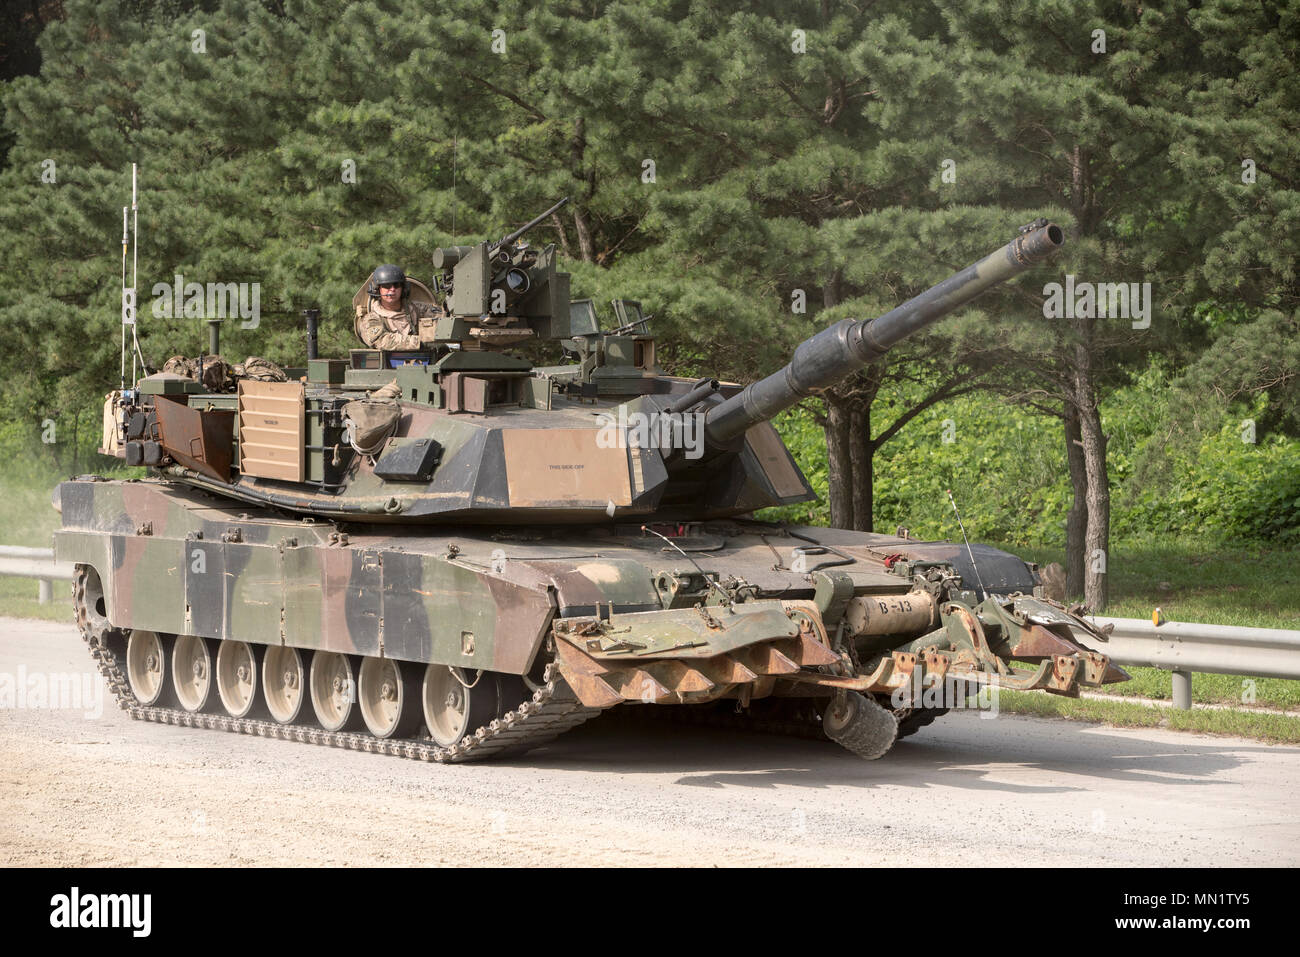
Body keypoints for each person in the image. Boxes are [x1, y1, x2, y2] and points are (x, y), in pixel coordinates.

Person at [356, 264, 442, 350]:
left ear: (403, 289)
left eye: (396, 285)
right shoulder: (371, 319)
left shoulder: (417, 309)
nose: (392, 289)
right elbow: (382, 341)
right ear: (377, 289)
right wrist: (420, 343)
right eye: (387, 286)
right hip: (389, 362)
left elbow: (444, 318)